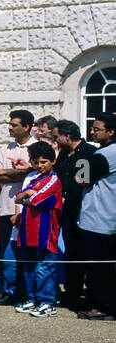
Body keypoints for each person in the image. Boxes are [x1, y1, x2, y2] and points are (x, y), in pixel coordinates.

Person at [53, 119, 101, 312]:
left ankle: (89, 296)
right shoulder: (64, 153)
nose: (55, 141)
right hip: (67, 211)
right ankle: (71, 293)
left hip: (82, 211)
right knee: (71, 253)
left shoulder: (87, 153)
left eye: (57, 137)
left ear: (68, 136)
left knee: (84, 253)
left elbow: (82, 182)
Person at [0, 110, 34, 305]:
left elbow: (29, 174)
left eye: (14, 124)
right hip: (5, 206)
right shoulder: (6, 149)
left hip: (25, 209)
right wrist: (12, 173)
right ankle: (8, 288)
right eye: (9, 124)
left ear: (27, 126)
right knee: (6, 250)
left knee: (23, 251)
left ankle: (23, 290)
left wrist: (8, 173)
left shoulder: (35, 147)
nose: (10, 128)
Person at [12, 142, 62, 317]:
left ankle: (47, 301)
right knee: (29, 267)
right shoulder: (34, 179)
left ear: (52, 161)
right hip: (27, 231)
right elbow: (18, 198)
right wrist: (27, 194)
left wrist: (29, 196)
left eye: (44, 162)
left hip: (45, 232)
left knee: (44, 267)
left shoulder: (54, 181)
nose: (40, 166)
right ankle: (32, 298)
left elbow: (38, 200)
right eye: (36, 162)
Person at [75, 112, 116, 320]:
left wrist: (82, 157)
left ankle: (102, 306)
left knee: (99, 268)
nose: (92, 131)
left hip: (100, 219)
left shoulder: (105, 155)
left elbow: (81, 178)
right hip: (105, 217)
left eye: (96, 129)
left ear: (111, 132)